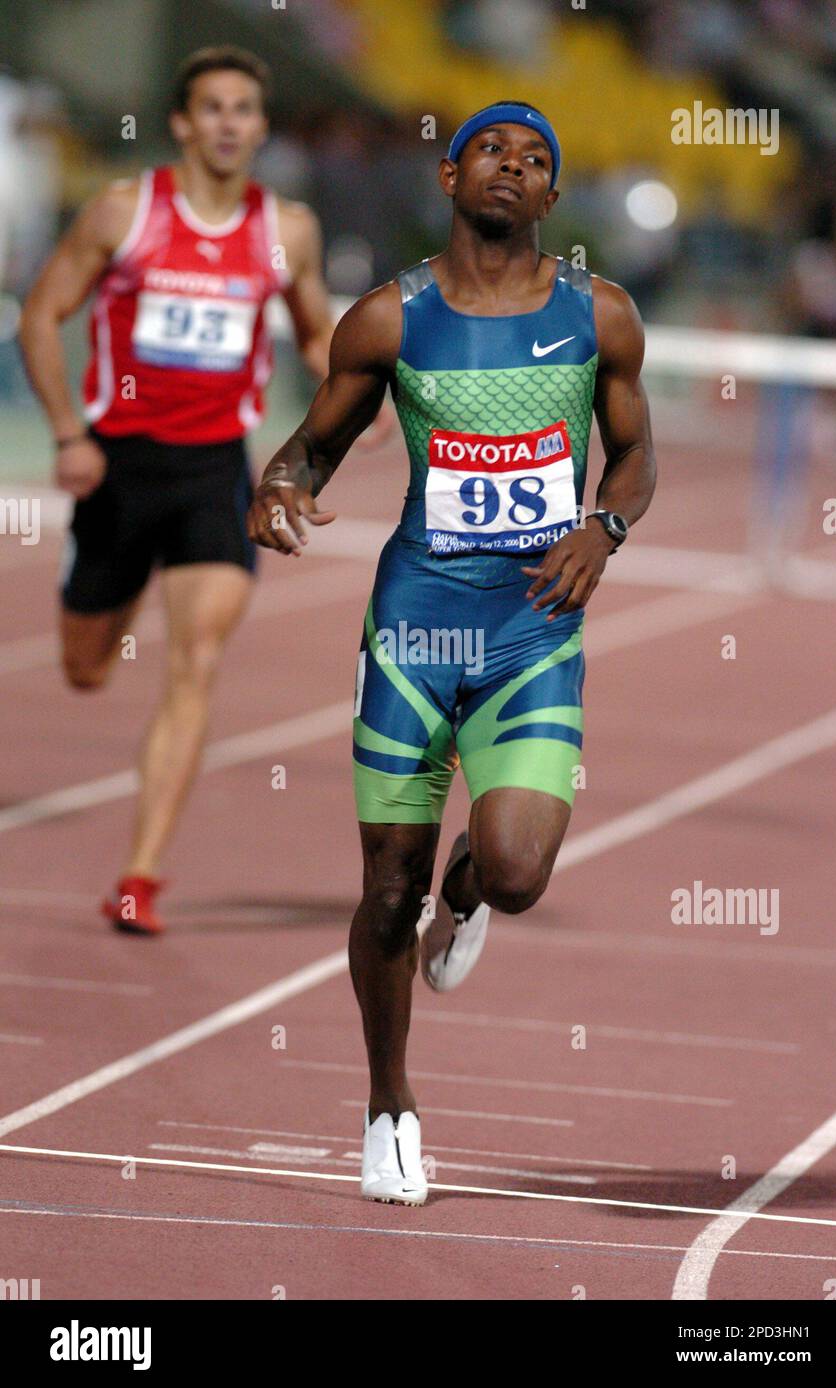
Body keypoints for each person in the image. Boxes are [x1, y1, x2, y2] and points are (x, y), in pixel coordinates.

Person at [247, 102, 656, 1203]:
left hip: (531, 628)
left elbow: (633, 459)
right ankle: (389, 1107)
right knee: (386, 888)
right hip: (416, 628)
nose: (512, 167)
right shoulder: (389, 319)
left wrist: (602, 529)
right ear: (448, 172)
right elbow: (316, 441)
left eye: (535, 159)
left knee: (518, 871)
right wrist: (282, 482)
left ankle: (467, 897)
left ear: (553, 197)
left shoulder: (599, 316)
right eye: (492, 150)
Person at [20, 47, 336, 934]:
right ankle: (98, 591)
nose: (230, 123)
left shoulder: (289, 231)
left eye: (245, 108)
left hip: (213, 473)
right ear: (182, 123)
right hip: (117, 468)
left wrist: (362, 397)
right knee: (87, 670)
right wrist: (69, 433)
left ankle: (140, 875)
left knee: (195, 661)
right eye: (213, 107)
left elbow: (318, 337)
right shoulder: (126, 212)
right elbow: (40, 315)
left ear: (262, 128)